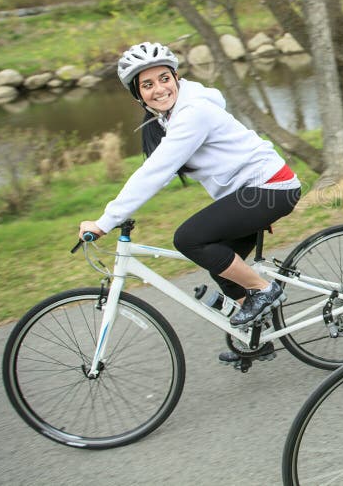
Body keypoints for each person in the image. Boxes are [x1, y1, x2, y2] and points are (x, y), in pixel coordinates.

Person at [79, 42, 301, 362]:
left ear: (177, 77)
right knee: (221, 266)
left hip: (270, 188)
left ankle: (265, 291)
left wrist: (105, 222)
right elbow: (161, 172)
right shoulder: (172, 115)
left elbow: (156, 171)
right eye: (148, 84)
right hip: (251, 193)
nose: (159, 88)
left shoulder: (193, 112)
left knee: (189, 239)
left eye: (164, 78)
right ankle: (256, 339)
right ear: (137, 94)